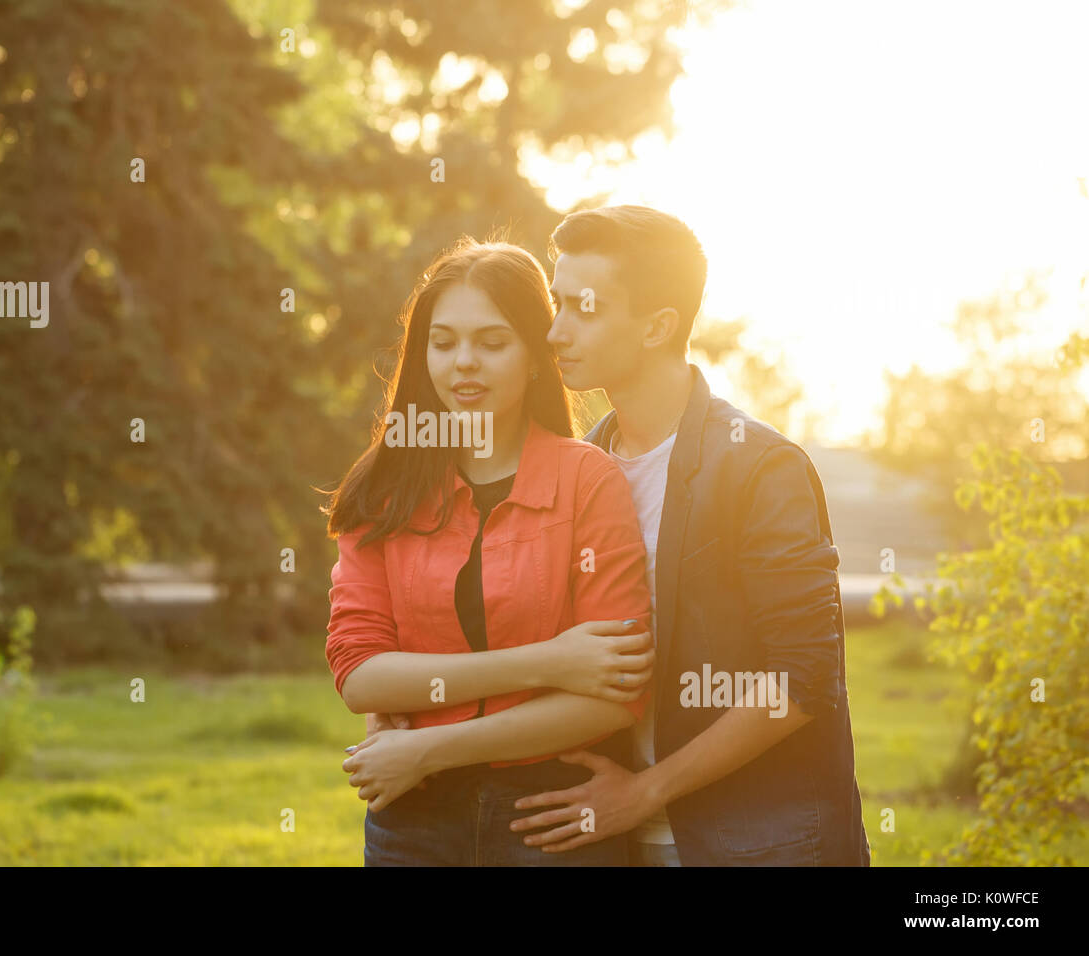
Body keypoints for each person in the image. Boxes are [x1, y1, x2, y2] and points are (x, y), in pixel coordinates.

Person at [503, 205, 871, 866]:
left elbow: (804, 680)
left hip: (756, 844)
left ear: (658, 326)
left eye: (585, 309)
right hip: (605, 840)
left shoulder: (759, 466)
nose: (555, 332)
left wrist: (645, 794)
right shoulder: (571, 471)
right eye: (556, 305)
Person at [323, 238, 655, 866]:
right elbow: (361, 675)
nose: (464, 363)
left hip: (554, 817)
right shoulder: (384, 485)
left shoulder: (589, 479)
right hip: (413, 823)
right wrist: (550, 661)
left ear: (535, 354)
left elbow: (614, 692)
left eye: (492, 343)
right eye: (443, 342)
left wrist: (428, 747)